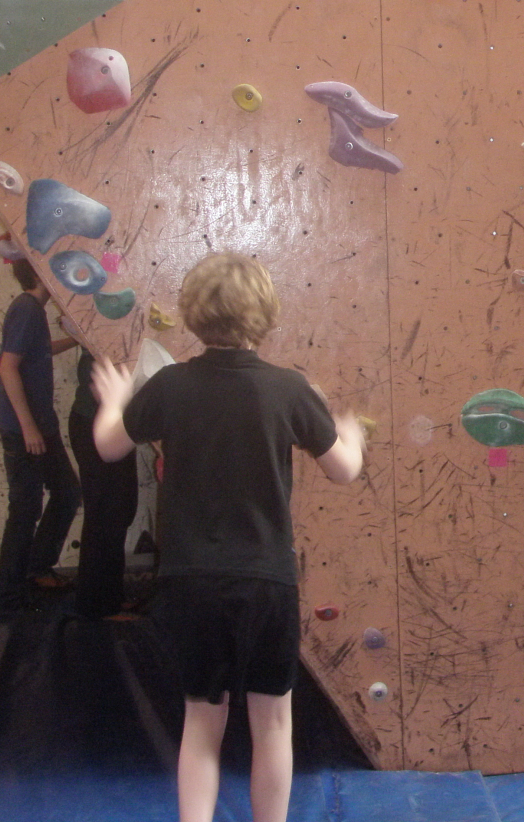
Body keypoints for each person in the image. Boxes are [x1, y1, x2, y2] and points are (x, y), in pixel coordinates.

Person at [92, 251, 366, 822]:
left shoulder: (171, 385)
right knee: (273, 723)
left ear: (194, 314)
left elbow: (109, 446)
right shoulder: (289, 390)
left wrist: (115, 403)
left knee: (201, 721)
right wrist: (348, 434)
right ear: (264, 316)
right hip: (264, 579)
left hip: (190, 580)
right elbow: (343, 469)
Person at [0, 259, 81, 613]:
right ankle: (7, 596)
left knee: (66, 492)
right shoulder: (27, 308)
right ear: (40, 274)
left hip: (39, 424)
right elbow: (7, 366)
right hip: (25, 429)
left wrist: (75, 339)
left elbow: (39, 353)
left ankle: (36, 568)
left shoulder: (33, 312)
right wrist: (28, 426)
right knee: (26, 507)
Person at [68, 346, 138, 619]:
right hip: (94, 424)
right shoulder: (104, 328)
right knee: (106, 514)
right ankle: (98, 607)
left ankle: (108, 599)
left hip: (104, 423)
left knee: (117, 511)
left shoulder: (110, 326)